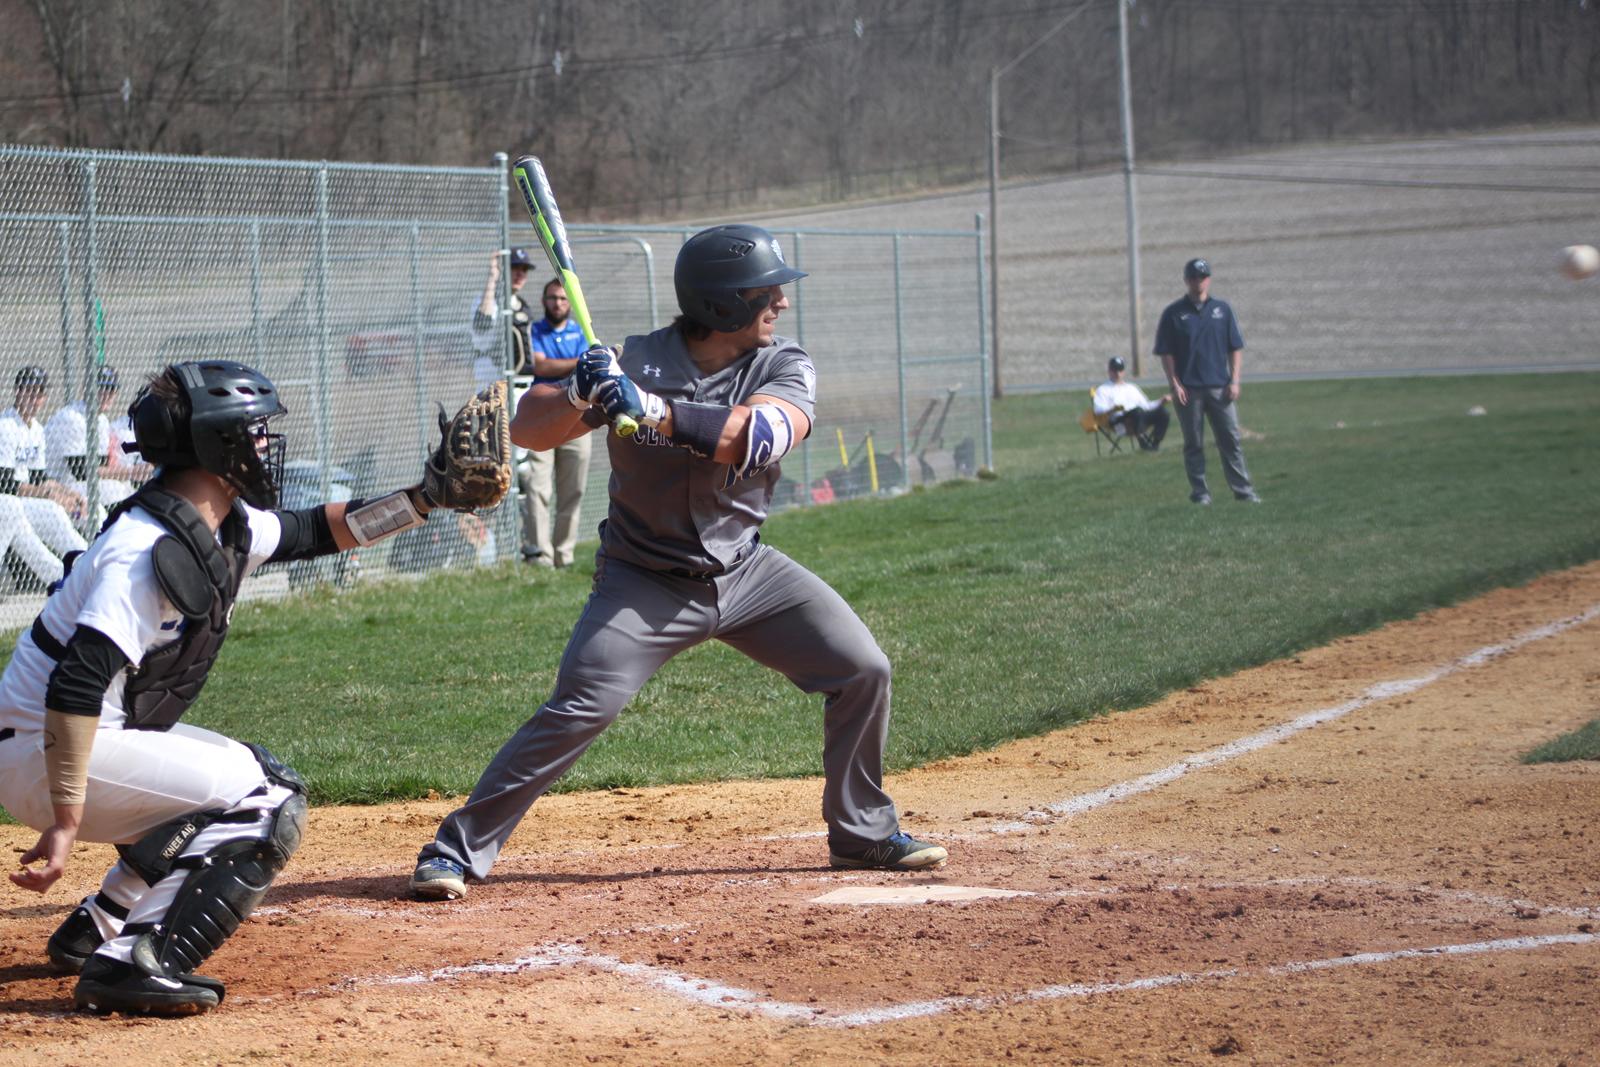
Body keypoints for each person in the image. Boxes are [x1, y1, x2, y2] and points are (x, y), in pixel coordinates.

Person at [410, 224, 947, 902]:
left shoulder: (783, 365)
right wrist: (581, 389)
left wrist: (655, 410)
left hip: (748, 573)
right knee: (579, 706)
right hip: (644, 579)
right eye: (765, 291)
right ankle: (453, 850)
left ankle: (861, 833)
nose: (780, 301)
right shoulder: (629, 359)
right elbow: (526, 427)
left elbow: (759, 434)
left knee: (863, 668)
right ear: (724, 304)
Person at [0, 359, 479, 1016]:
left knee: (251, 772)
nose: (264, 444)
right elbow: (78, 680)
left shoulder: (221, 522)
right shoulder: (144, 549)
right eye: (252, 432)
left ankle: (101, 923)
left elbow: (318, 529)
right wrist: (65, 819)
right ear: (215, 443)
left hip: (62, 743)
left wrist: (425, 500)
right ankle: (137, 961)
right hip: (48, 750)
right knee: (266, 800)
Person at [1154, 258, 1260, 504]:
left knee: (1230, 439)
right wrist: (1175, 384)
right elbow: (1166, 352)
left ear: (1208, 279)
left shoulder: (1222, 310)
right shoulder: (1174, 313)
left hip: (1219, 386)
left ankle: (1242, 490)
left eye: (1202, 277)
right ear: (1186, 280)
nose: (1198, 282)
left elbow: (1235, 347)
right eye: (1193, 278)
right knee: (1194, 442)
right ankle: (1200, 492)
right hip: (1188, 390)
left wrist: (1234, 380)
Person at [518, 276, 591, 568]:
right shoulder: (534, 330)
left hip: (577, 418)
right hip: (543, 419)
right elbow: (541, 364)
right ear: (543, 301)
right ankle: (540, 555)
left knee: (572, 489)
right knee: (538, 487)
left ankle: (564, 555)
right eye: (552, 298)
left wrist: (582, 361)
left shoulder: (580, 332)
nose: (558, 303)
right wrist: (578, 362)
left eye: (563, 299)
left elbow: (591, 364)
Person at [0, 366, 89, 586]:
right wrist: (47, 494)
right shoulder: (6, 426)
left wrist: (68, 493)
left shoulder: (37, 429)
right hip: (7, 498)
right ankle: (81, 571)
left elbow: (39, 478)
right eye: (30, 391)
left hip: (23, 500)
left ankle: (77, 571)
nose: (35, 398)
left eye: (40, 392)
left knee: (48, 517)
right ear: (18, 392)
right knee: (43, 509)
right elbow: (4, 482)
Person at [43, 365, 152, 513]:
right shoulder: (72, 417)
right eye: (101, 388)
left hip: (82, 484)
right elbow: (83, 472)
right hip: (61, 484)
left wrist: (130, 473)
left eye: (111, 389)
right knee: (114, 489)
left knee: (128, 490)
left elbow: (102, 466)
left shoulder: (102, 420)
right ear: (86, 388)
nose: (106, 394)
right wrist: (132, 472)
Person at [1092, 356, 1169, 451]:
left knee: (1163, 412)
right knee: (1137, 411)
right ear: (1109, 371)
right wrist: (1112, 409)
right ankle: (1143, 442)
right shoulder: (1103, 389)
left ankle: (1155, 444)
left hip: (1139, 417)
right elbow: (1098, 410)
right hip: (1119, 422)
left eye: (1120, 370)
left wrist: (1161, 401)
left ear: (1123, 371)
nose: (1117, 373)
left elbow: (1146, 406)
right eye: (1114, 370)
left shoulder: (1132, 388)